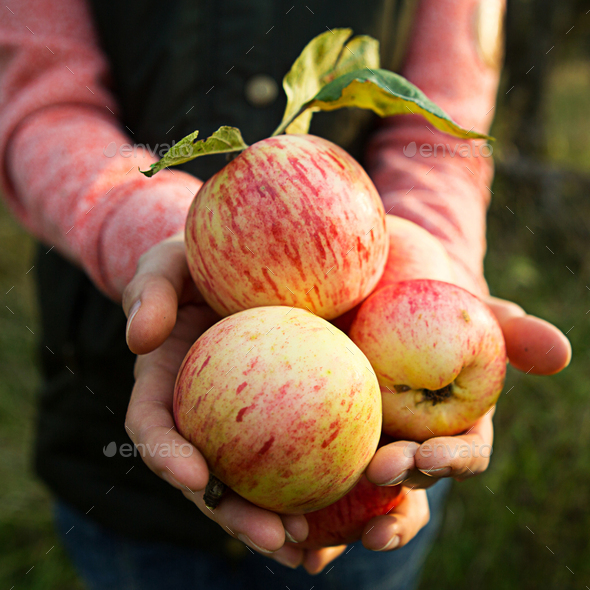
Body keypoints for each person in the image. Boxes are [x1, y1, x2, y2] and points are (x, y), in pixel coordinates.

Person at [0, 0, 571, 588]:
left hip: (365, 484)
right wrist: (148, 224)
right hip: (117, 446)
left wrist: (435, 261)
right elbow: (39, 105)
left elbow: (437, 135)